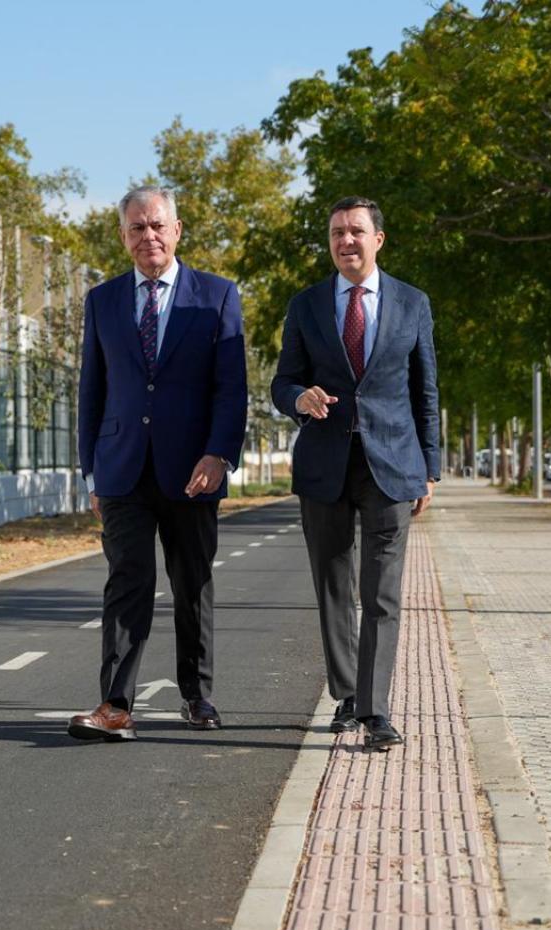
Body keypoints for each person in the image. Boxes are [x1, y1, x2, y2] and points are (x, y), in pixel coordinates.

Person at [69, 186, 247, 742]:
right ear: (123, 237)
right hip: (122, 468)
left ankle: (197, 696)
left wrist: (219, 454)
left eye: (156, 225)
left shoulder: (216, 296)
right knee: (127, 581)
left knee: (191, 583)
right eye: (136, 228)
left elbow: (231, 388)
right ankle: (116, 705)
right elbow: (92, 391)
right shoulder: (102, 301)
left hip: (194, 470)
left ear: (177, 230)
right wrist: (91, 472)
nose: (148, 236)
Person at [270, 196, 441, 751]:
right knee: (334, 586)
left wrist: (431, 469)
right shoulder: (306, 305)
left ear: (378, 240)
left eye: (356, 231)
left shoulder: (413, 303)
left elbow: (426, 391)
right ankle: (346, 695)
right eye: (337, 232)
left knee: (382, 592)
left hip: (392, 465)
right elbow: (282, 382)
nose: (346, 240)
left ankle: (375, 710)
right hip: (324, 465)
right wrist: (299, 398)